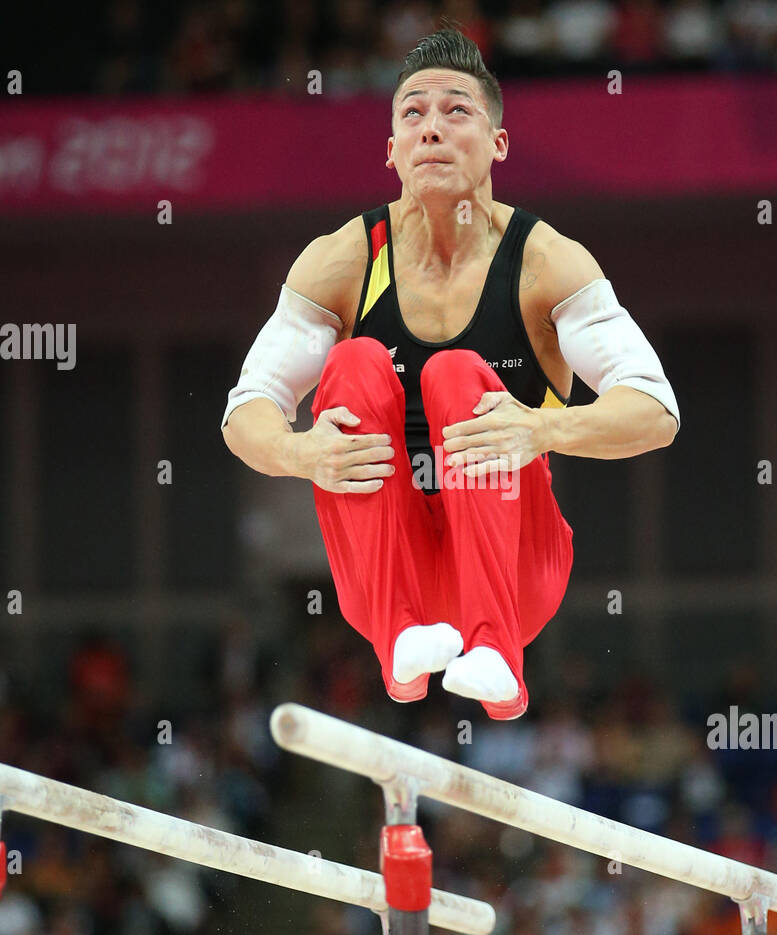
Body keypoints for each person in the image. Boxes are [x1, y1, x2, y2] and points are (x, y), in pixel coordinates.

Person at [222, 27, 678, 720]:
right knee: (352, 364)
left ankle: (497, 648)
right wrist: (299, 450)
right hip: (385, 571)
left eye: (457, 110)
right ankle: (402, 634)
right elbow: (247, 407)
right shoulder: (342, 261)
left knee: (460, 373)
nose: (432, 128)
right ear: (391, 151)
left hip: (515, 565)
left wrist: (538, 427)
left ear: (498, 142)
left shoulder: (545, 263)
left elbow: (655, 409)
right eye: (414, 114)